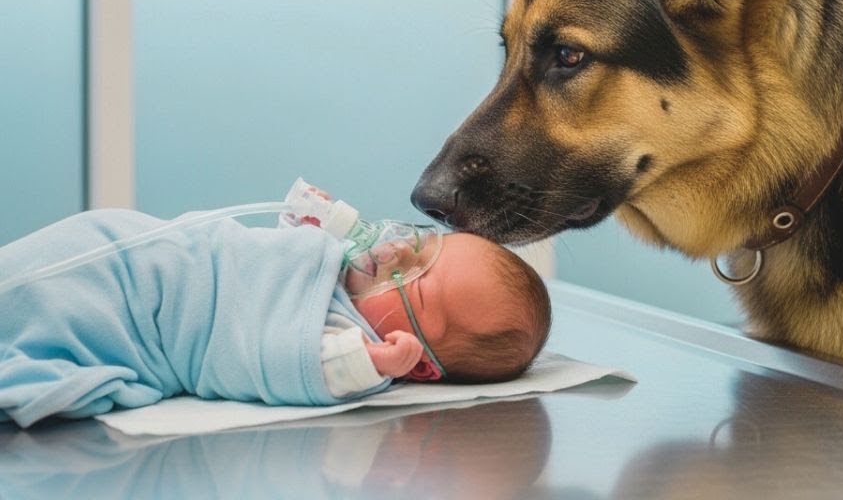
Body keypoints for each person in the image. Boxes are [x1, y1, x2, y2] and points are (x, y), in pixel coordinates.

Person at [0, 202, 551, 428]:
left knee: (48, 304)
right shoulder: (329, 267)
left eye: (417, 286)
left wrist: (376, 362)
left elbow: (300, 363)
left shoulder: (341, 334)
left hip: (136, 311)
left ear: (422, 363)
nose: (399, 254)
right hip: (143, 252)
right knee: (50, 263)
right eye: (425, 247)